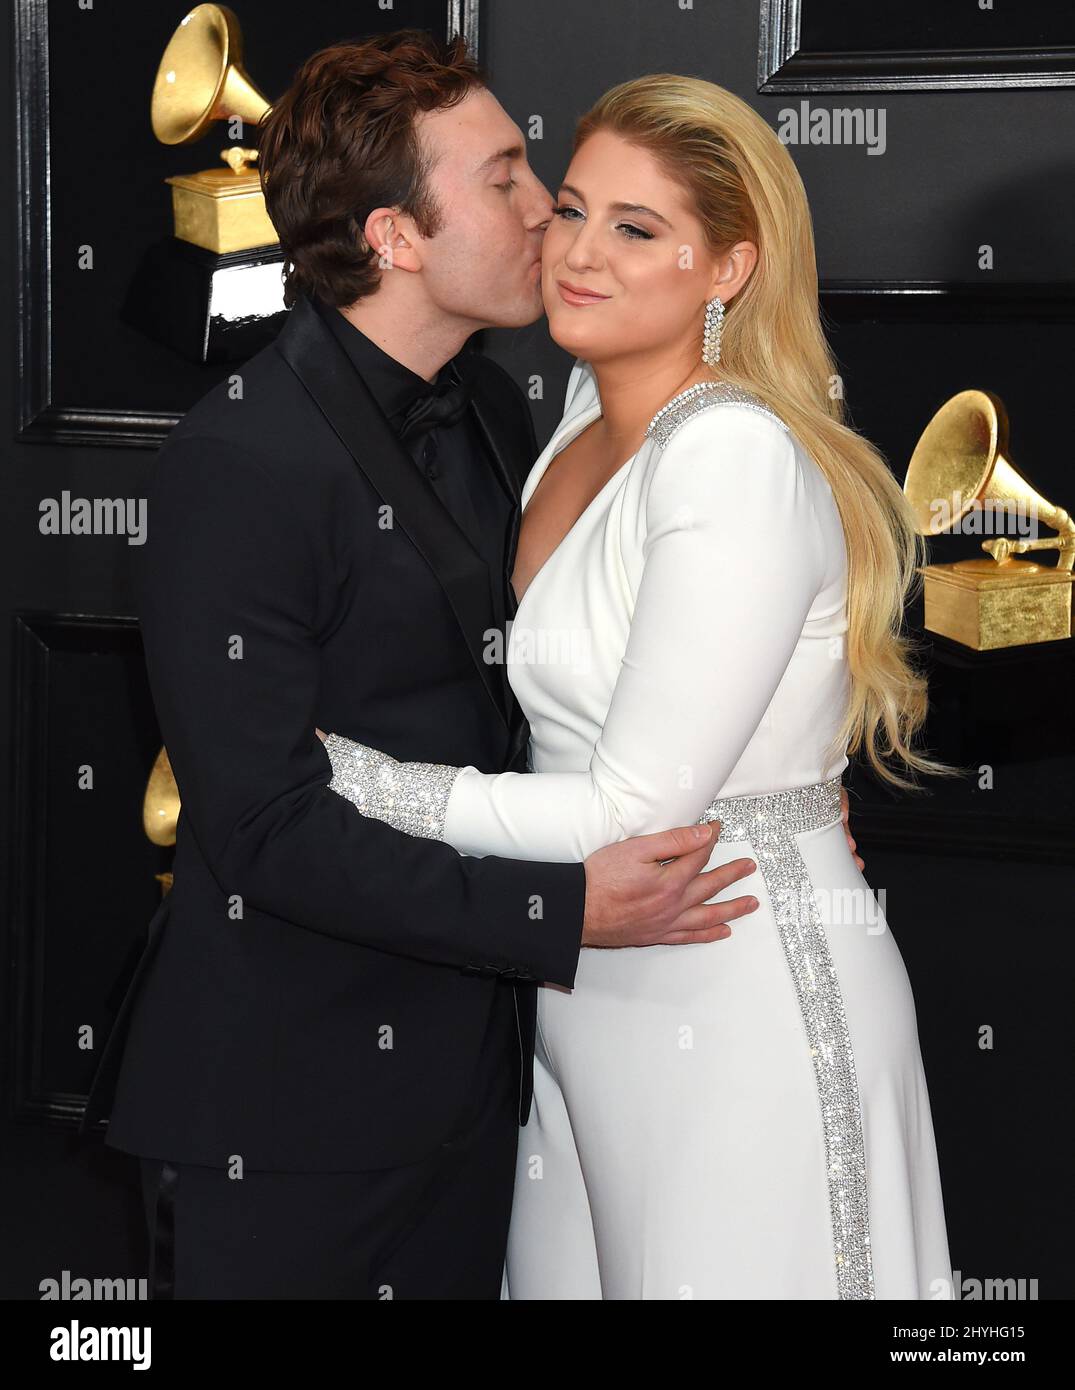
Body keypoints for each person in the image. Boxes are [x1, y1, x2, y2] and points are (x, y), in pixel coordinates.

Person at [79, 32, 769, 1301]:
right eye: (505, 178)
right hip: (282, 1116)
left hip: (488, 1097)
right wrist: (560, 913)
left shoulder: (509, 411)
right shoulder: (240, 462)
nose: (544, 213)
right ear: (396, 237)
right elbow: (267, 823)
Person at [317, 72, 955, 1299]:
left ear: (727, 269)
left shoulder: (731, 456)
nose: (579, 254)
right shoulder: (566, 418)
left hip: (733, 989)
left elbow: (629, 814)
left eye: (636, 228)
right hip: (575, 987)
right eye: (569, 209)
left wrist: (354, 780)